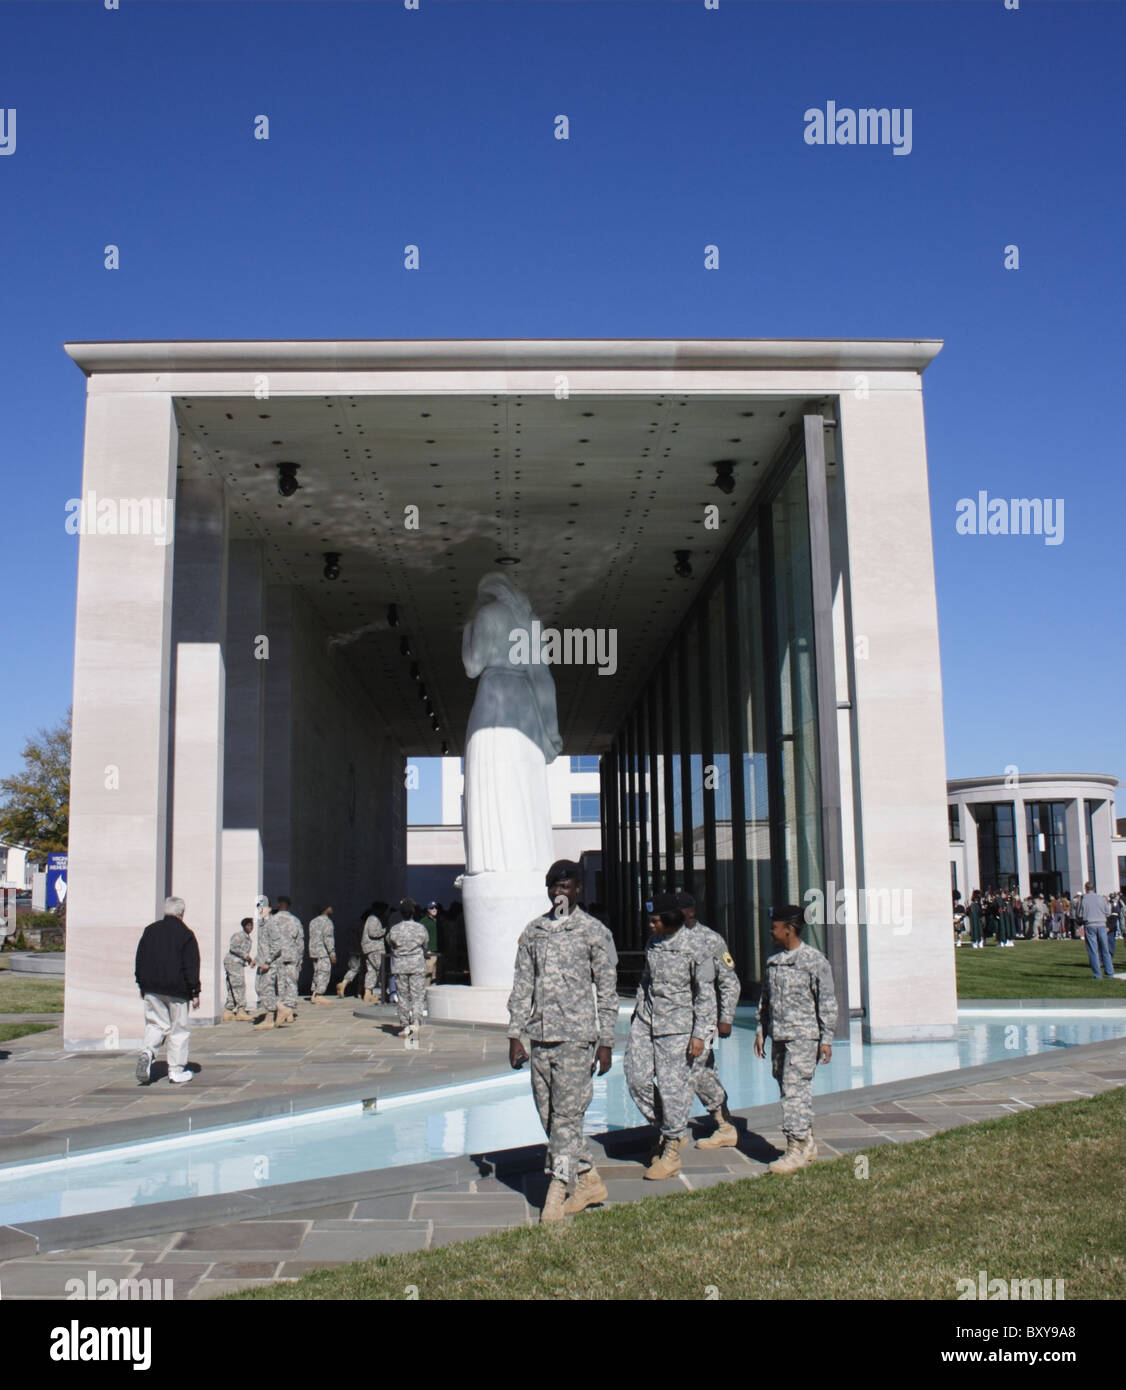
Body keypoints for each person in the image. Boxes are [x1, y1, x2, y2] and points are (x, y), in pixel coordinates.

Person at [507, 860, 618, 1222]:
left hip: (576, 1038)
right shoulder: (534, 931)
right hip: (540, 1037)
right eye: (554, 886)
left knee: (567, 1119)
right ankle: (587, 1178)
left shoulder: (594, 932)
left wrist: (606, 1041)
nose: (559, 893)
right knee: (549, 1117)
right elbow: (522, 986)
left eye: (566, 886)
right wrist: (515, 1034)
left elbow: (607, 990)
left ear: (579, 889)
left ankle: (556, 1190)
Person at [625, 892, 716, 1182]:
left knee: (671, 1088)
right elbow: (646, 979)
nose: (651, 926)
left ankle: (672, 1150)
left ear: (670, 919)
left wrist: (700, 1034)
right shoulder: (653, 942)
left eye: (655, 921)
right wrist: (639, 1008)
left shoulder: (696, 948)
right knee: (636, 1078)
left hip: (677, 1028)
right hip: (646, 1021)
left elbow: (705, 995)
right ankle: (669, 1130)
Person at [753, 903, 838, 1174]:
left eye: (775, 926)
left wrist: (827, 1039)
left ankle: (795, 1148)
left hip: (803, 1038)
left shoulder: (814, 961)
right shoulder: (773, 961)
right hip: (780, 1036)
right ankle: (808, 1141)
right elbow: (765, 1000)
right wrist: (761, 1030)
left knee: (794, 1091)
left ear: (789, 929)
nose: (770, 930)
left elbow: (827, 1002)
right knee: (788, 1089)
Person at [675, 890, 741, 1148]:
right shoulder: (668, 938)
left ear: (691, 911)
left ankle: (721, 1123)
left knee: (694, 1067)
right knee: (697, 1069)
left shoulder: (711, 940)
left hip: (706, 1020)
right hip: (676, 1020)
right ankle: (720, 1121)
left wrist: (726, 1018)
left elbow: (729, 982)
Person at [134, 896, 200, 1085]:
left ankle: (148, 1051)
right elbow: (191, 965)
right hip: (177, 990)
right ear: (182, 913)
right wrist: (195, 991)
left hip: (152, 988)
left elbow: (140, 959)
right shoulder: (186, 934)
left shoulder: (150, 931)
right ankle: (176, 1070)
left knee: (156, 1024)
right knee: (178, 1029)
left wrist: (141, 984)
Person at [389, 897, 430, 1037]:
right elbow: (425, 944)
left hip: (400, 966)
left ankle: (405, 1025)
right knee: (417, 996)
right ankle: (416, 1023)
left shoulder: (394, 929)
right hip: (417, 966)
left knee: (402, 997)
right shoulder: (420, 928)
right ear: (413, 913)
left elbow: (390, 943)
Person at [349, 901, 387, 1003]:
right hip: (374, 949)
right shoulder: (374, 919)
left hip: (370, 949)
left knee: (372, 971)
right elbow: (373, 933)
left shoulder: (371, 918)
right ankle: (375, 992)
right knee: (379, 970)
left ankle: (368, 993)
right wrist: (385, 931)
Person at [274, 896, 305, 1018]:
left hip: (278, 957)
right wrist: (300, 959)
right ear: (289, 905)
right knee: (292, 983)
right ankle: (290, 1011)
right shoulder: (295, 920)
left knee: (280, 984)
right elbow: (300, 942)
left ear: (279, 905)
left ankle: (282, 1009)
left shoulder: (273, 920)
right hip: (292, 956)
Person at [221, 917, 255, 1021]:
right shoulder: (239, 936)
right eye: (248, 925)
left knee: (233, 986)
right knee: (239, 985)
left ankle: (228, 1009)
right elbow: (234, 948)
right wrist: (247, 957)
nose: (251, 927)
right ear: (244, 926)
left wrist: (248, 960)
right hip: (233, 962)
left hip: (237, 963)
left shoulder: (247, 938)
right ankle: (241, 1010)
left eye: (251, 925)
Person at [1077, 882, 1114, 981]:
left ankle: (1098, 974)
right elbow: (1107, 912)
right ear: (1094, 888)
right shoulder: (1100, 898)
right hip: (1101, 924)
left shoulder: (1083, 899)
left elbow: (1079, 914)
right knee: (1105, 950)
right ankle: (1110, 973)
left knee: (1093, 950)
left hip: (1090, 925)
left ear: (1086, 889)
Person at [308, 905, 336, 1004]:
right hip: (323, 952)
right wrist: (332, 953)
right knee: (324, 972)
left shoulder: (313, 921)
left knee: (317, 972)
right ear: (326, 909)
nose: (332, 909)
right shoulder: (327, 922)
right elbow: (328, 938)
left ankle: (314, 993)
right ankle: (318, 995)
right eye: (330, 907)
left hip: (314, 951)